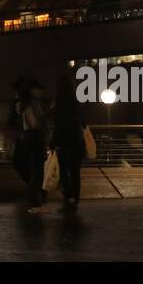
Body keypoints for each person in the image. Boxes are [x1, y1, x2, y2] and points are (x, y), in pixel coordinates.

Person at [10, 77, 49, 212]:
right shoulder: (30, 103)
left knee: (35, 169)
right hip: (34, 137)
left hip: (29, 138)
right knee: (38, 170)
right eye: (38, 90)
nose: (41, 93)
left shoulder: (22, 103)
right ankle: (35, 199)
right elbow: (34, 124)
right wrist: (44, 118)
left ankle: (35, 197)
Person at [51, 74, 86, 211]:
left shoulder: (59, 105)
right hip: (77, 141)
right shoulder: (76, 103)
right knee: (75, 171)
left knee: (64, 171)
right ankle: (75, 198)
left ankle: (69, 196)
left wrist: (53, 142)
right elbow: (82, 122)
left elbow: (58, 126)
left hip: (64, 143)